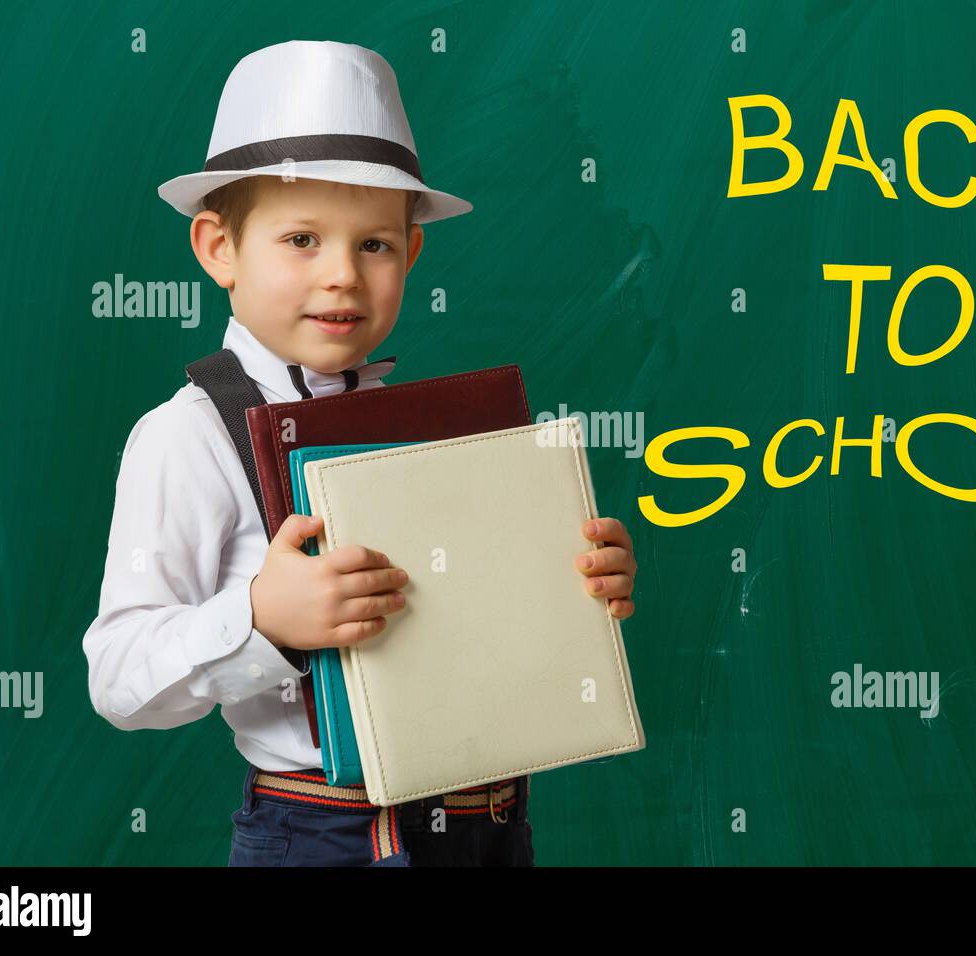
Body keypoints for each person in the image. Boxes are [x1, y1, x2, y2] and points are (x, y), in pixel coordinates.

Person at [81, 40, 639, 866]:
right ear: (218, 248)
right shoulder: (186, 435)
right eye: (302, 239)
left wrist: (577, 581)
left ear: (411, 255)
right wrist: (264, 622)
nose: (342, 274)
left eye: (374, 245)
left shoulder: (431, 428)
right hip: (322, 833)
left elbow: (475, 618)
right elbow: (120, 680)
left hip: (489, 824)